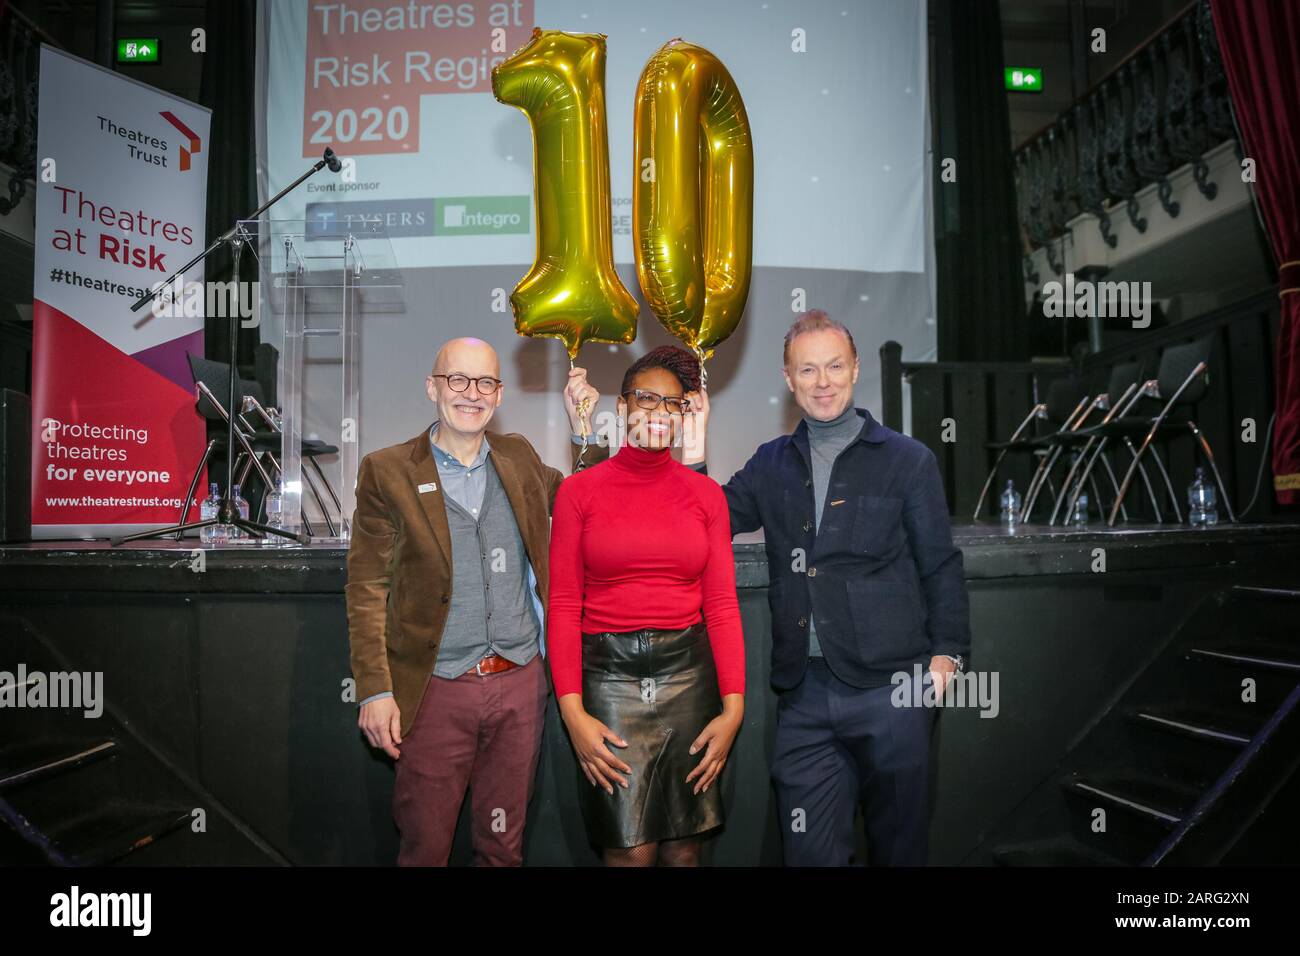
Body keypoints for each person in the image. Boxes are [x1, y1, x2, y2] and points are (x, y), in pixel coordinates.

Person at [685, 310, 971, 866]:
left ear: (856, 369)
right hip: (804, 698)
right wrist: (694, 455)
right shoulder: (771, 463)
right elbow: (706, 517)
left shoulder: (909, 461)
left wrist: (948, 657)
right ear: (789, 380)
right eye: (808, 369)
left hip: (896, 691)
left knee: (900, 852)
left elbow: (940, 563)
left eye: (834, 366)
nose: (823, 381)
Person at [345, 336, 609, 866]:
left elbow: (590, 496)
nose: (472, 393)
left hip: (519, 686)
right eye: (457, 380)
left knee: (503, 848)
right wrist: (374, 689)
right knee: (425, 847)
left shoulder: (520, 459)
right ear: (432, 387)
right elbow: (367, 588)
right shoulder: (387, 471)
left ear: (499, 392)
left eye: (485, 382)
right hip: (436, 689)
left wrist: (584, 428)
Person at [547, 345, 746, 866]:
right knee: (630, 852)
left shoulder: (706, 497)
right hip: (609, 680)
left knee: (684, 851)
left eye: (673, 404)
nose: (659, 412)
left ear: (684, 416)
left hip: (689, 676)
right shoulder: (578, 492)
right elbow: (564, 605)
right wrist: (572, 712)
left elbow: (722, 604)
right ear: (621, 406)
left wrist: (734, 708)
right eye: (646, 399)